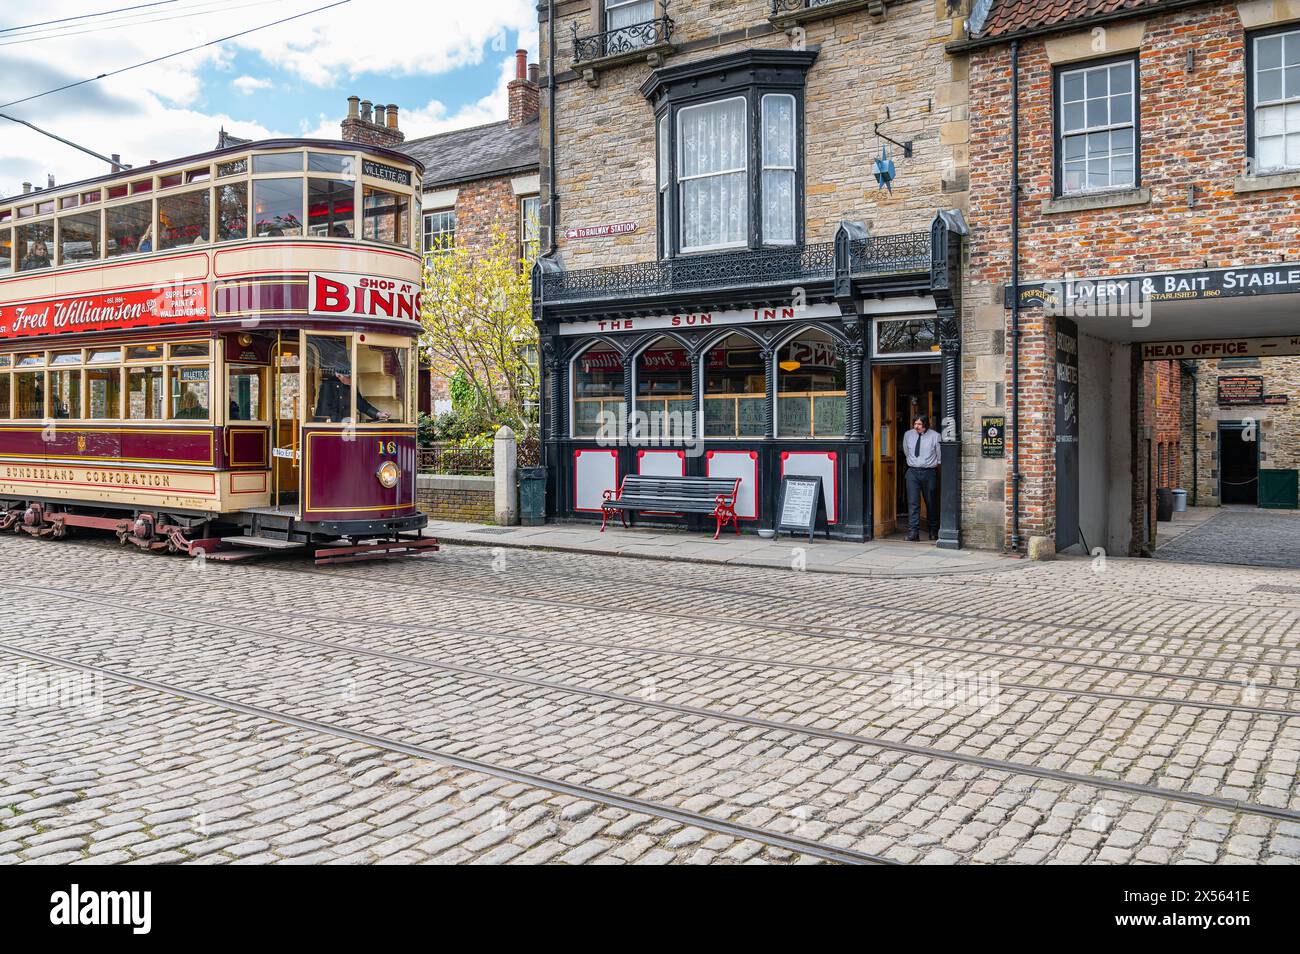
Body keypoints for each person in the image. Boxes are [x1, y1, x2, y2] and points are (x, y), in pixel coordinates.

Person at [903, 414, 941, 541]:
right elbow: (906, 452)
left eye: (919, 424)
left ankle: (933, 531)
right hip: (912, 472)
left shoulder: (935, 436)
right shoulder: (908, 435)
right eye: (915, 424)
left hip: (929, 472)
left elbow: (939, 456)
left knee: (931, 503)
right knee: (913, 503)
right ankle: (913, 533)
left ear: (925, 424)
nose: (916, 427)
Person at [314, 366, 389, 423]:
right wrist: (346, 421)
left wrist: (378, 414)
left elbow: (360, 403)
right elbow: (326, 411)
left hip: (344, 426)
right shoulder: (327, 386)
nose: (352, 381)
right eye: (349, 378)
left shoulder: (350, 384)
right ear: (339, 376)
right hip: (326, 427)